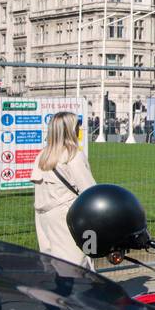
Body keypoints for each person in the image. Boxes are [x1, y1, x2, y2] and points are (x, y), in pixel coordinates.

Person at [29, 111, 97, 267]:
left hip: (43, 216)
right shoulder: (73, 155)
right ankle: (81, 290)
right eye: (77, 126)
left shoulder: (43, 155)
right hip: (68, 216)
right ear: (70, 130)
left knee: (51, 260)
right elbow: (90, 191)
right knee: (77, 262)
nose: (79, 129)